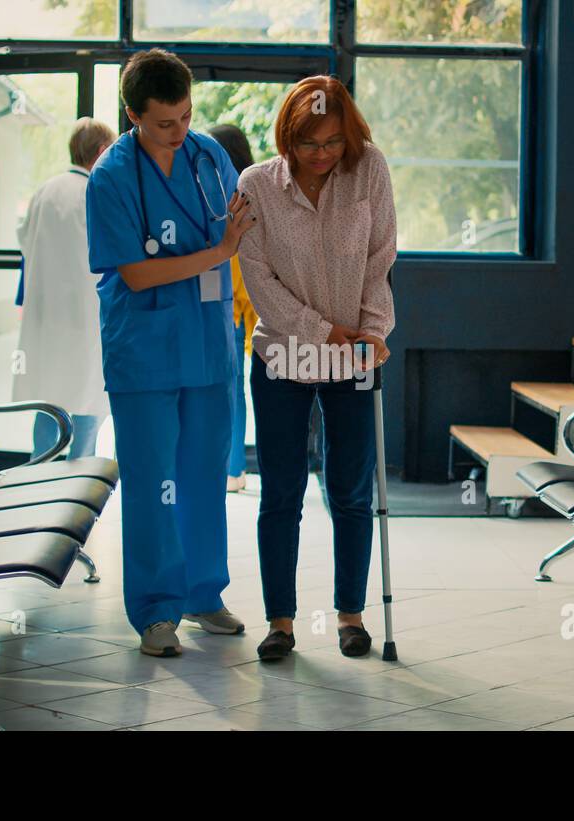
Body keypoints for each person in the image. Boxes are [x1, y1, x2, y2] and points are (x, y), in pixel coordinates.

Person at [85, 49, 257, 657]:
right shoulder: (111, 176)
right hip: (146, 350)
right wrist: (217, 252)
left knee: (205, 476)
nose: (179, 131)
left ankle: (203, 592)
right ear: (133, 114)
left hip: (210, 344)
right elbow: (135, 273)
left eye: (186, 115)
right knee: (154, 482)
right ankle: (157, 611)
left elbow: (244, 232)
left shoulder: (211, 157)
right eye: (164, 122)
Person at [236, 76, 396, 661]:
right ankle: (280, 622)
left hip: (355, 353)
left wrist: (373, 332)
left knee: (350, 491)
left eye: (332, 142)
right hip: (283, 354)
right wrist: (323, 331)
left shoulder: (368, 169)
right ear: (288, 139)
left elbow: (382, 258)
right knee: (281, 492)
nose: (322, 154)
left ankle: (350, 616)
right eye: (309, 145)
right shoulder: (256, 185)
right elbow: (258, 279)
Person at [14, 117, 115, 460]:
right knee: (88, 401)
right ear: (102, 151)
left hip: (47, 316)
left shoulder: (45, 191)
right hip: (86, 317)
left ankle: (37, 480)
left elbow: (26, 244)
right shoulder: (97, 191)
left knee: (48, 402)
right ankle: (77, 482)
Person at [207, 124, 258, 493]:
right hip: (243, 301)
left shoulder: (220, 191)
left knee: (219, 387)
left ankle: (223, 466)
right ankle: (234, 469)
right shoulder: (255, 190)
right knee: (235, 385)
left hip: (218, 298)